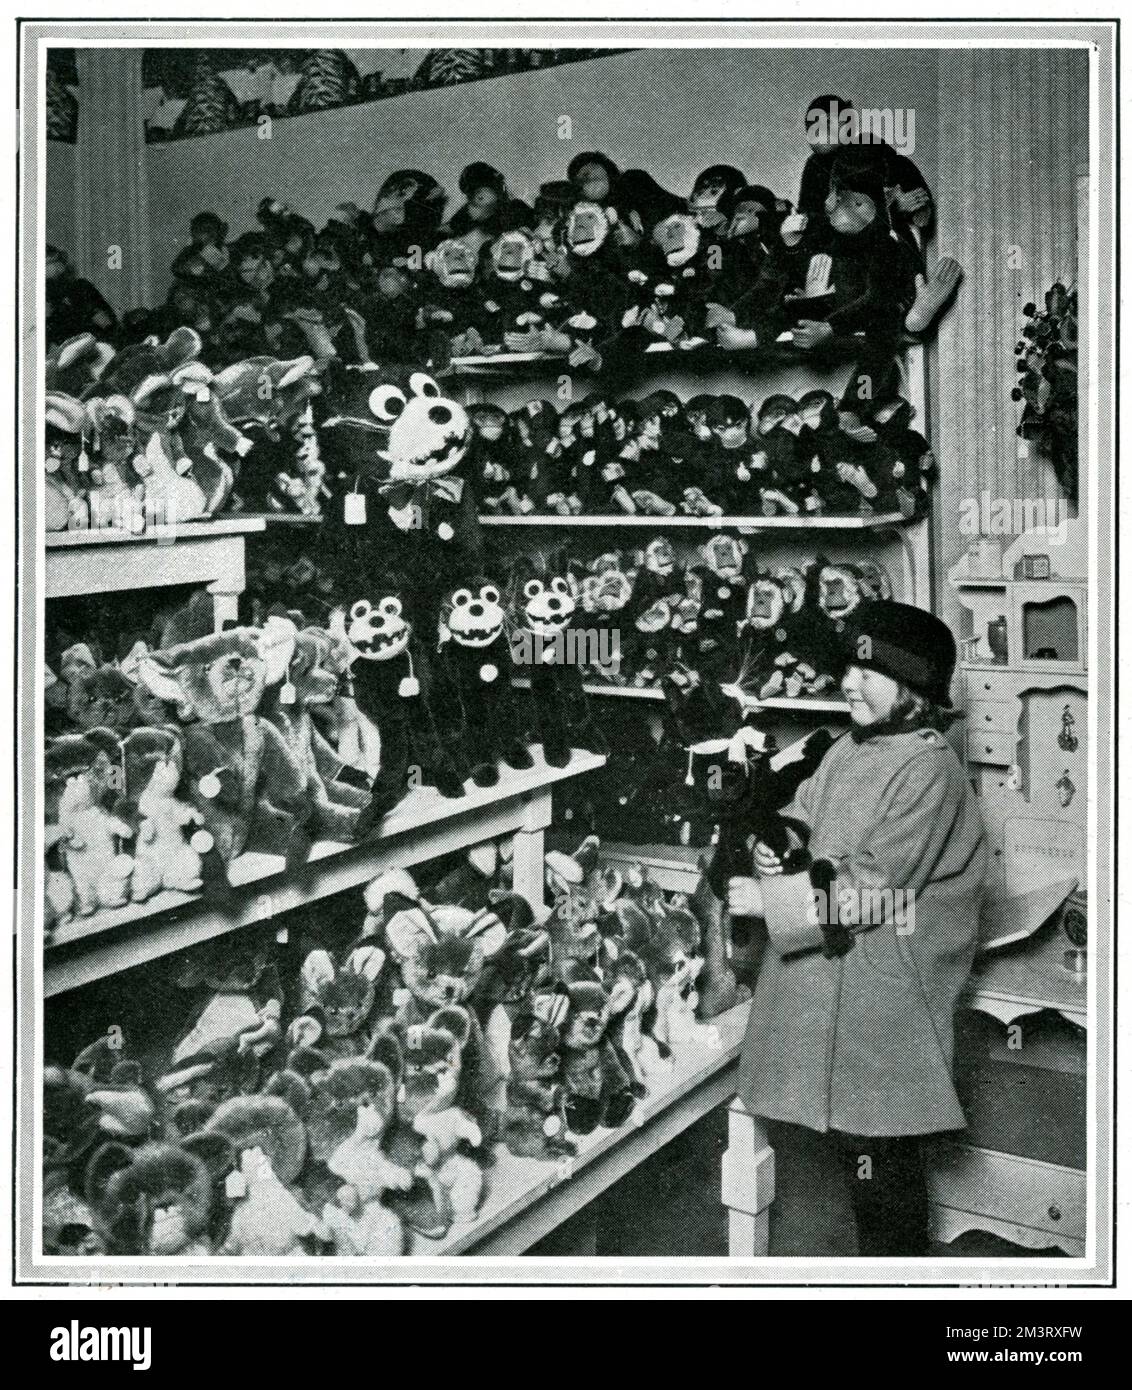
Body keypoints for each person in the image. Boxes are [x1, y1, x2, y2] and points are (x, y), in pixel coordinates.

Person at [729, 601, 987, 1256]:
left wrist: (770, 900)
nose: (849, 682)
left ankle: (897, 1271)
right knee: (860, 1145)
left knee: (884, 1155)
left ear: (917, 690)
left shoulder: (929, 769)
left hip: (887, 988)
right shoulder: (849, 747)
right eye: (847, 667)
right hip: (848, 972)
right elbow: (806, 814)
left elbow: (873, 889)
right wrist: (781, 847)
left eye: (869, 672)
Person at [46, 245, 119, 348]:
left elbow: (109, 322)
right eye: (50, 262)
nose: (58, 266)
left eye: (59, 260)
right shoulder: (37, 298)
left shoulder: (82, 287)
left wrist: (98, 314)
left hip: (97, 345)